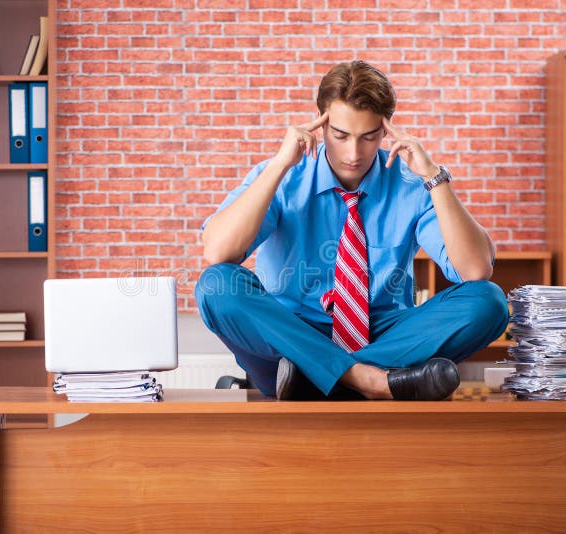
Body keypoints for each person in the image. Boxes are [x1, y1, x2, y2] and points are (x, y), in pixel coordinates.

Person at [195, 60, 509, 401]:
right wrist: (280, 164)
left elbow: (475, 270)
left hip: (382, 339)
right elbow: (218, 251)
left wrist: (434, 177)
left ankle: (321, 379)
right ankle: (368, 381)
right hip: (292, 336)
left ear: (386, 129)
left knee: (488, 301)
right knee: (216, 284)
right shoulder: (284, 176)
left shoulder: (412, 184)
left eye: (368, 137)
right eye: (340, 135)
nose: (353, 153)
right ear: (320, 122)